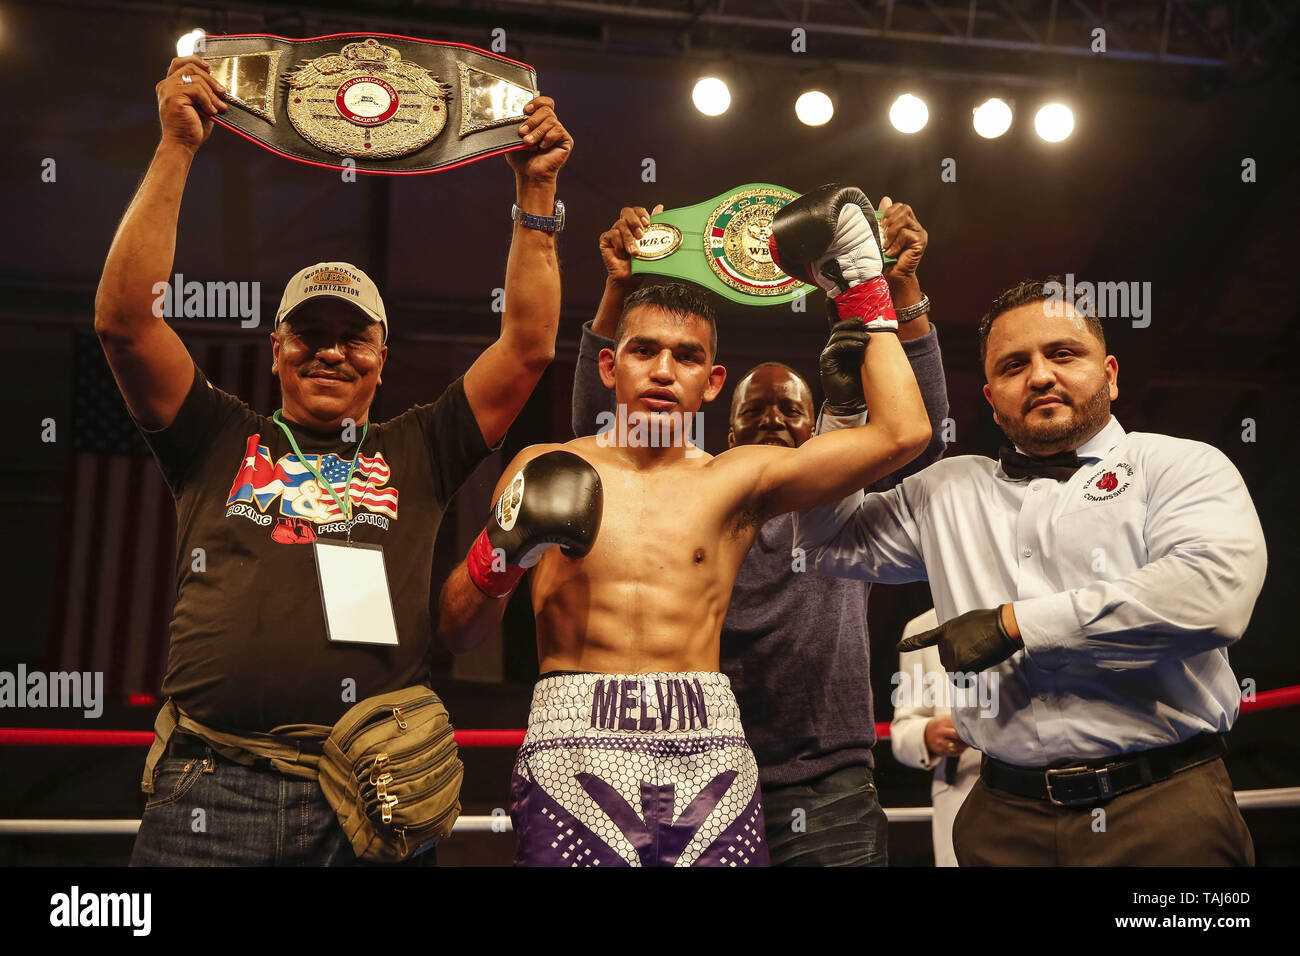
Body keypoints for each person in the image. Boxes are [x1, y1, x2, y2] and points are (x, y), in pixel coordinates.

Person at [94, 54, 573, 865]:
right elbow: (126, 325)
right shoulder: (219, 436)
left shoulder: (419, 445)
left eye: (354, 337)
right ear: (275, 347)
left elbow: (527, 346)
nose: (331, 352)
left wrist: (535, 193)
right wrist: (178, 146)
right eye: (309, 334)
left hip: (370, 791)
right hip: (213, 787)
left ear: (384, 357)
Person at [438, 184, 933, 866]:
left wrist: (865, 287)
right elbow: (457, 632)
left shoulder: (736, 481)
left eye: (687, 357)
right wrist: (499, 555)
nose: (664, 371)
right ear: (611, 365)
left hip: (711, 752)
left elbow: (903, 433)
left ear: (712, 381)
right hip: (572, 740)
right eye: (644, 351)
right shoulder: (543, 465)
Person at [795, 277, 1266, 866]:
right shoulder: (947, 489)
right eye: (1014, 365)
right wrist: (845, 415)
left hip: (1162, 809)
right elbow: (823, 540)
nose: (1040, 376)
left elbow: (1210, 597)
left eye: (1062, 354)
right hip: (1001, 817)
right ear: (991, 398)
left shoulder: (1177, 465)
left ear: (1111, 374)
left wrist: (1016, 624)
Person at [890, 609, 980, 867]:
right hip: (960, 788)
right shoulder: (923, 627)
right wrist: (928, 734)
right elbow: (903, 731)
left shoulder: (1025, 610)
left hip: (1032, 791)